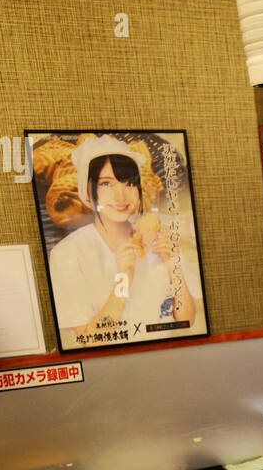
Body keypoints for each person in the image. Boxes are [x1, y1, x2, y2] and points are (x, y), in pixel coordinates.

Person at [48, 136, 203, 342]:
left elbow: (187, 320)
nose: (120, 197)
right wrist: (124, 277)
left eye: (129, 183)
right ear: (87, 190)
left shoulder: (159, 239)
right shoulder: (67, 253)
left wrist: (173, 266)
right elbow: (88, 338)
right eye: (106, 184)